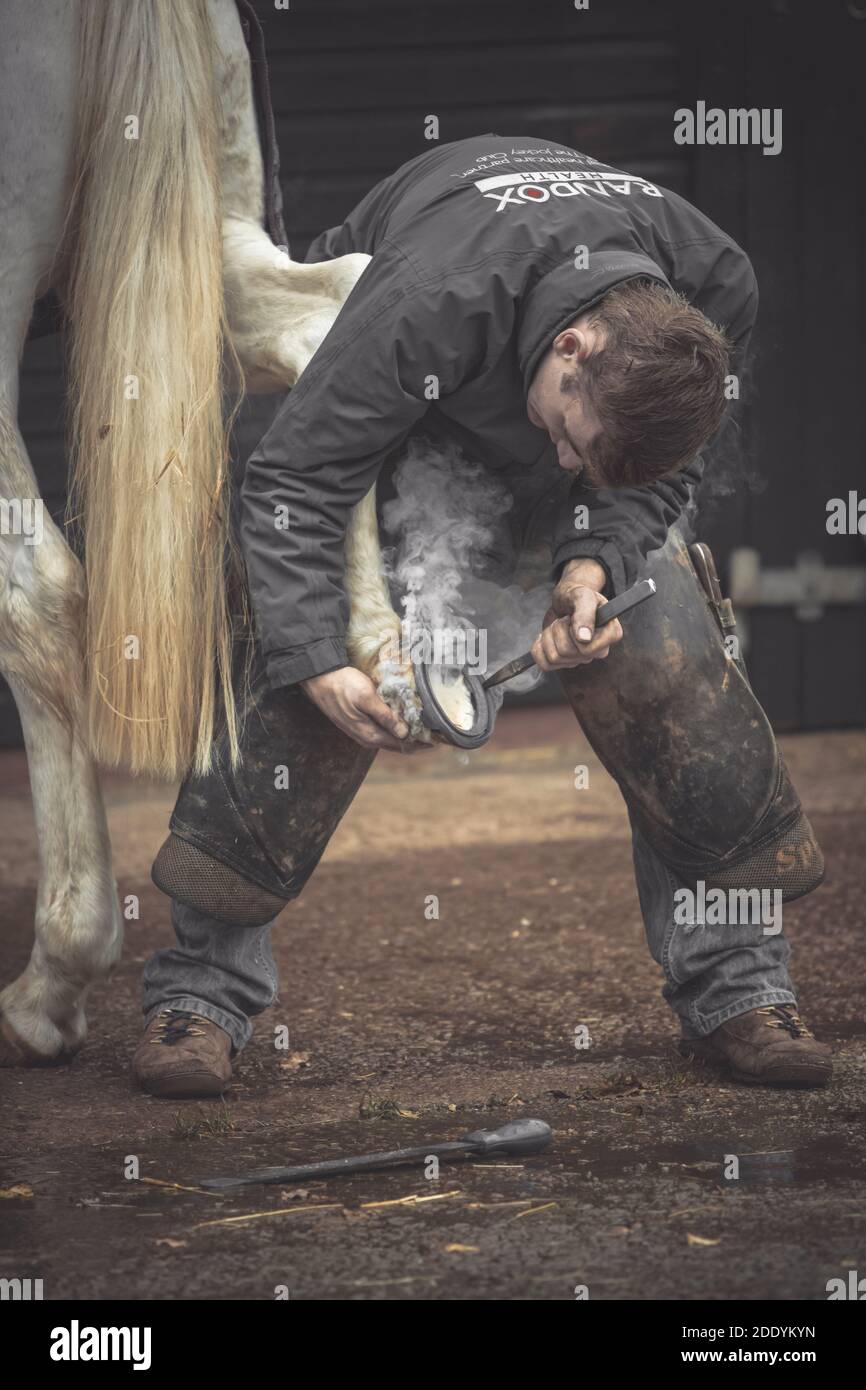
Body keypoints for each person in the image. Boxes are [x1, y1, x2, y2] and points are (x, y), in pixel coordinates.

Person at [132, 135, 830, 1097]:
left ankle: (743, 988)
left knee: (666, 651)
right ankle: (199, 995)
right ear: (572, 350)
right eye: (576, 438)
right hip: (394, 451)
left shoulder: (712, 285)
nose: (571, 466)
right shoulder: (430, 298)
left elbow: (646, 472)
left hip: (560, 452)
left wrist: (593, 558)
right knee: (312, 675)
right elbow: (296, 481)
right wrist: (317, 660)